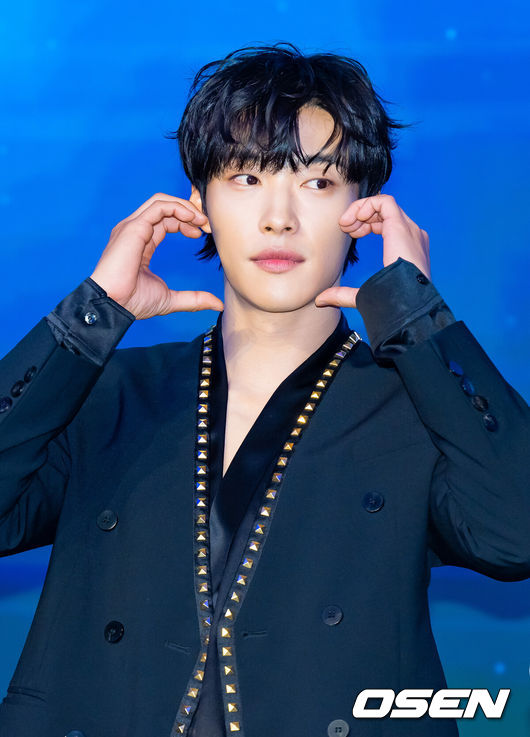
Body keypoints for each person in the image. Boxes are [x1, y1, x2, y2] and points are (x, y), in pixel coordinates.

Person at [0, 42, 529, 737]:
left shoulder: (424, 408)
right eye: (247, 177)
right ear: (198, 202)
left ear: (364, 209)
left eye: (318, 182)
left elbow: (516, 535)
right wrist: (88, 317)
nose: (279, 217)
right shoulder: (107, 394)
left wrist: (417, 318)